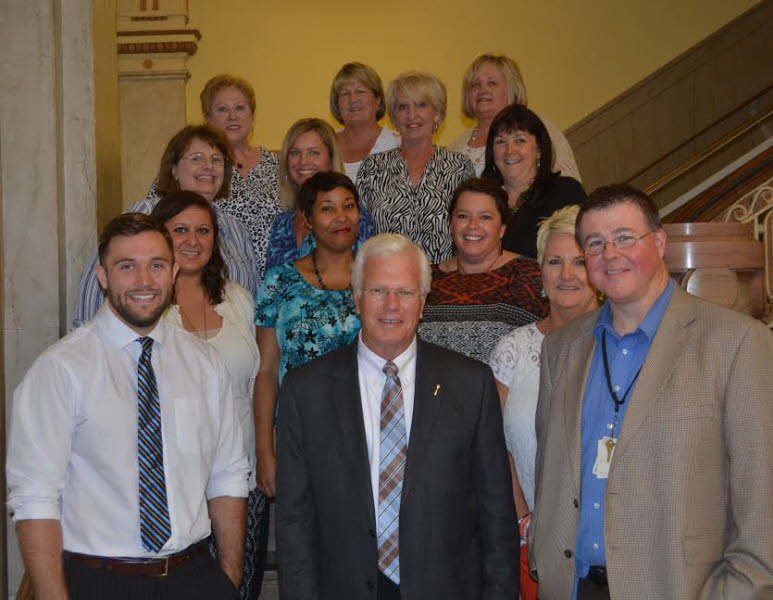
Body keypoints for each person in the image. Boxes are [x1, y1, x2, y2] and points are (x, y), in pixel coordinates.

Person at [529, 184, 773, 599]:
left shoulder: (736, 343)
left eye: (625, 237)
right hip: (572, 586)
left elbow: (763, 506)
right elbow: (550, 476)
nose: (610, 254)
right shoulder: (560, 349)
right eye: (595, 243)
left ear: (659, 242)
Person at [7, 213, 249, 600]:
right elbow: (35, 497)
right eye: (127, 267)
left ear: (173, 273)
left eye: (156, 265)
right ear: (103, 277)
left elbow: (229, 475)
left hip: (195, 577)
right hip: (97, 580)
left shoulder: (204, 363)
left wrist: (229, 579)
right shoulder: (61, 369)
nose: (144, 281)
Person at [277, 233, 519, 599]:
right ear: (357, 299)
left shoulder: (471, 385)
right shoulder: (305, 390)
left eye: (405, 292)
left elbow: (495, 513)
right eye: (378, 290)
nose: (391, 305)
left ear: (423, 303)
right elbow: (295, 521)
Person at [150, 191, 267, 600]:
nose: (193, 240)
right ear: (159, 236)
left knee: (239, 588)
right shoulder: (145, 306)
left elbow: (258, 384)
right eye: (180, 230)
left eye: (203, 231)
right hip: (171, 483)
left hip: (240, 478)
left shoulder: (238, 301)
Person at [489, 204, 599, 600]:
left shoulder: (623, 345)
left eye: (580, 261)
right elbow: (495, 448)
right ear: (541, 273)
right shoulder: (513, 350)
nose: (566, 274)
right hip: (530, 543)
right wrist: (522, 521)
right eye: (555, 261)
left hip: (606, 547)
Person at [73, 124, 259, 328]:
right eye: (197, 158)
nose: (209, 166)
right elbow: (96, 288)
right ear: (174, 170)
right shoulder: (145, 214)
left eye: (216, 159)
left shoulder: (235, 229)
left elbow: (252, 301)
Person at [254, 171, 363, 500]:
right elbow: (267, 372)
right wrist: (264, 452)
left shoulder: (377, 277)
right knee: (301, 543)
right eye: (327, 208)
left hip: (367, 435)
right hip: (297, 433)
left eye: (348, 206)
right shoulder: (280, 282)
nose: (341, 217)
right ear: (307, 219)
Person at [418, 178, 547, 363]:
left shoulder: (529, 275)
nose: (473, 225)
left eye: (485, 217)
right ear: (451, 224)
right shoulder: (425, 278)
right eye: (463, 216)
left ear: (502, 228)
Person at [357, 71, 475, 264]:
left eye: (421, 105)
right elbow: (361, 235)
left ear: (436, 113)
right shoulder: (372, 168)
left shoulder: (459, 167)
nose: (412, 115)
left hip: (446, 283)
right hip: (388, 282)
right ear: (394, 117)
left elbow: (470, 230)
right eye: (403, 107)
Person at [199, 74, 281, 281]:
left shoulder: (279, 165)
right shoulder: (197, 168)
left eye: (240, 108)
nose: (232, 116)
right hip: (221, 285)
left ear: (252, 115)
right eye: (222, 109)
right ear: (207, 118)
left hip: (276, 285)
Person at [448, 53, 581, 179]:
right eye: (475, 85)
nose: (482, 90)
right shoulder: (456, 145)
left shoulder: (540, 127)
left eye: (492, 83)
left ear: (511, 88)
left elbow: (569, 184)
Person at [265, 118, 375, 271]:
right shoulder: (282, 224)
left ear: (331, 160)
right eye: (295, 153)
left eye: (313, 153)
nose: (303, 161)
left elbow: (367, 277)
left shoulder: (354, 218)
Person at [482, 103, 586, 259]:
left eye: (520, 140)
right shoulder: (481, 198)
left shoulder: (565, 192)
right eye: (500, 142)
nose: (509, 151)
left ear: (539, 150)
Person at [330, 62, 400, 181]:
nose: (352, 99)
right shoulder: (326, 145)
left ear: (378, 100)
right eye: (345, 94)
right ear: (337, 104)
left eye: (360, 91)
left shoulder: (397, 146)